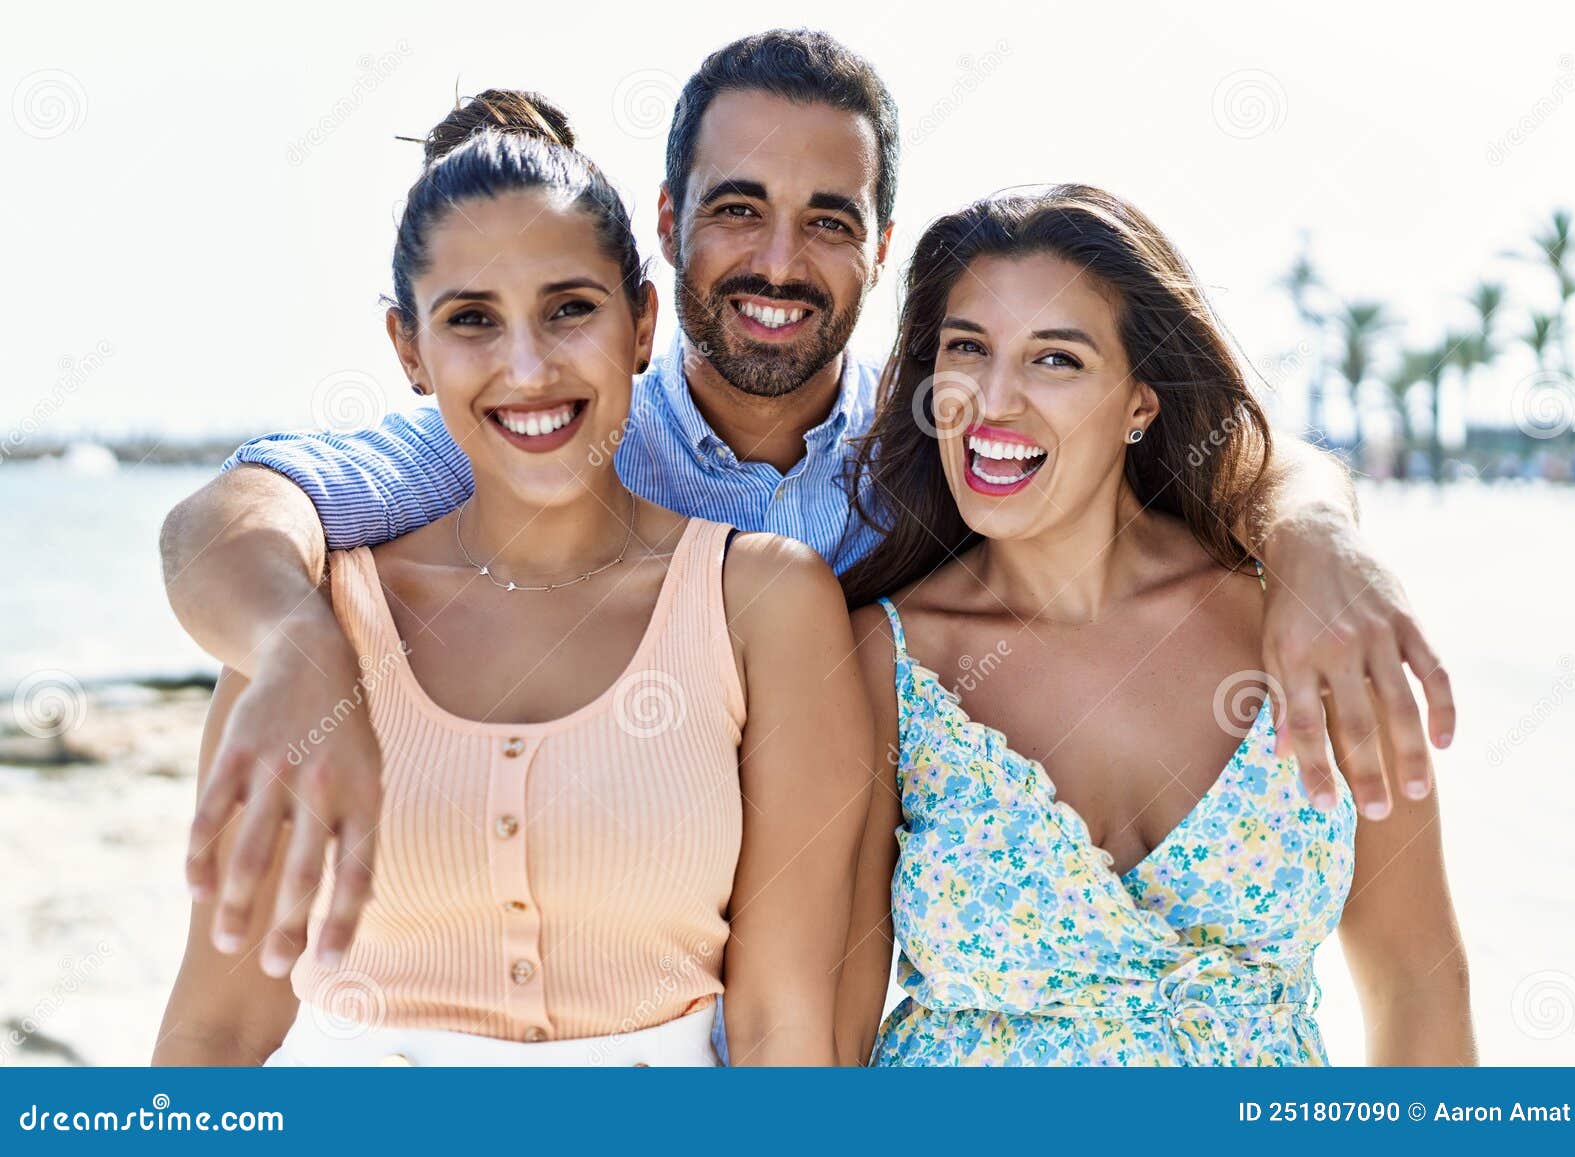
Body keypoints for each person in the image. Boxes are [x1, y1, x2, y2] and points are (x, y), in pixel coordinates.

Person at [158, 29, 1452, 993]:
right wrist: (293, 647)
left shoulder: (950, 452)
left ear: (880, 248)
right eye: (737, 211)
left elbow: (1209, 462)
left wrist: (1321, 543)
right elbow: (234, 516)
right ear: (666, 230)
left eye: (826, 220)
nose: (779, 262)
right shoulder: (548, 431)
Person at [154, 90, 872, 1066]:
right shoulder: (316, 615)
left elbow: (779, 1026)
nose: (527, 366)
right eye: (472, 320)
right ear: (409, 349)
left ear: (643, 322)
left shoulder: (766, 606)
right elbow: (219, 1025)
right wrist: (295, 651)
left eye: (570, 309)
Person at [834, 186, 1475, 1066]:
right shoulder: (885, 659)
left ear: (1142, 401)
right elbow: (825, 1030)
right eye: (967, 349)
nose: (992, 400)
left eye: (1054, 360)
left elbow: (1418, 981)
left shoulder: (1304, 627)